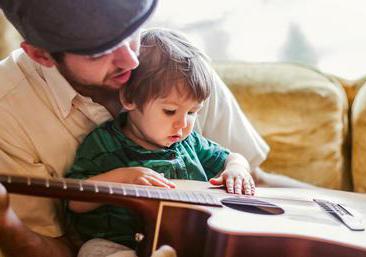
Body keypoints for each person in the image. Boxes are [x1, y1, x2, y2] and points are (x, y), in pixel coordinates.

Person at [0, 1, 366, 257]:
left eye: (131, 34)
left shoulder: (176, 65)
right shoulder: (9, 111)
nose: (131, 61)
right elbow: (49, 246)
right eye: (100, 51)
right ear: (40, 55)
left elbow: (255, 186)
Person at [65, 28, 255, 256]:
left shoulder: (190, 143)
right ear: (129, 98)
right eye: (170, 111)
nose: (183, 124)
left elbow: (231, 157)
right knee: (93, 251)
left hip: (186, 240)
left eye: (193, 112)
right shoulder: (104, 143)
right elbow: (75, 202)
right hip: (120, 243)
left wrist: (237, 169)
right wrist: (124, 177)